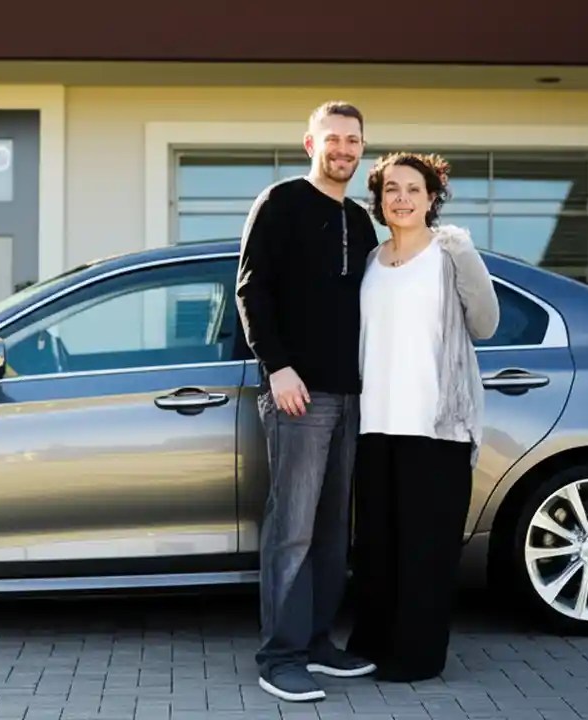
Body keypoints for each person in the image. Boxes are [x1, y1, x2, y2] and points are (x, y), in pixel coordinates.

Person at [235, 101, 380, 702]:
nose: (343, 149)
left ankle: (318, 641)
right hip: (299, 394)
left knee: (331, 530)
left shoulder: (361, 220)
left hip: (351, 394)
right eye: (333, 139)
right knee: (291, 528)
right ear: (310, 144)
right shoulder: (280, 202)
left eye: (353, 140)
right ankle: (280, 656)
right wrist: (278, 368)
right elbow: (251, 290)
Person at [345, 151, 499, 682]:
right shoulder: (371, 260)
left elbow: (486, 324)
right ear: (378, 199)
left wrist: (466, 260)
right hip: (375, 424)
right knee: (377, 547)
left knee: (425, 550)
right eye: (391, 189)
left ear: (432, 197)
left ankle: (417, 658)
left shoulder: (451, 251)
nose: (402, 198)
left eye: (413, 188)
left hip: (436, 427)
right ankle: (372, 645)